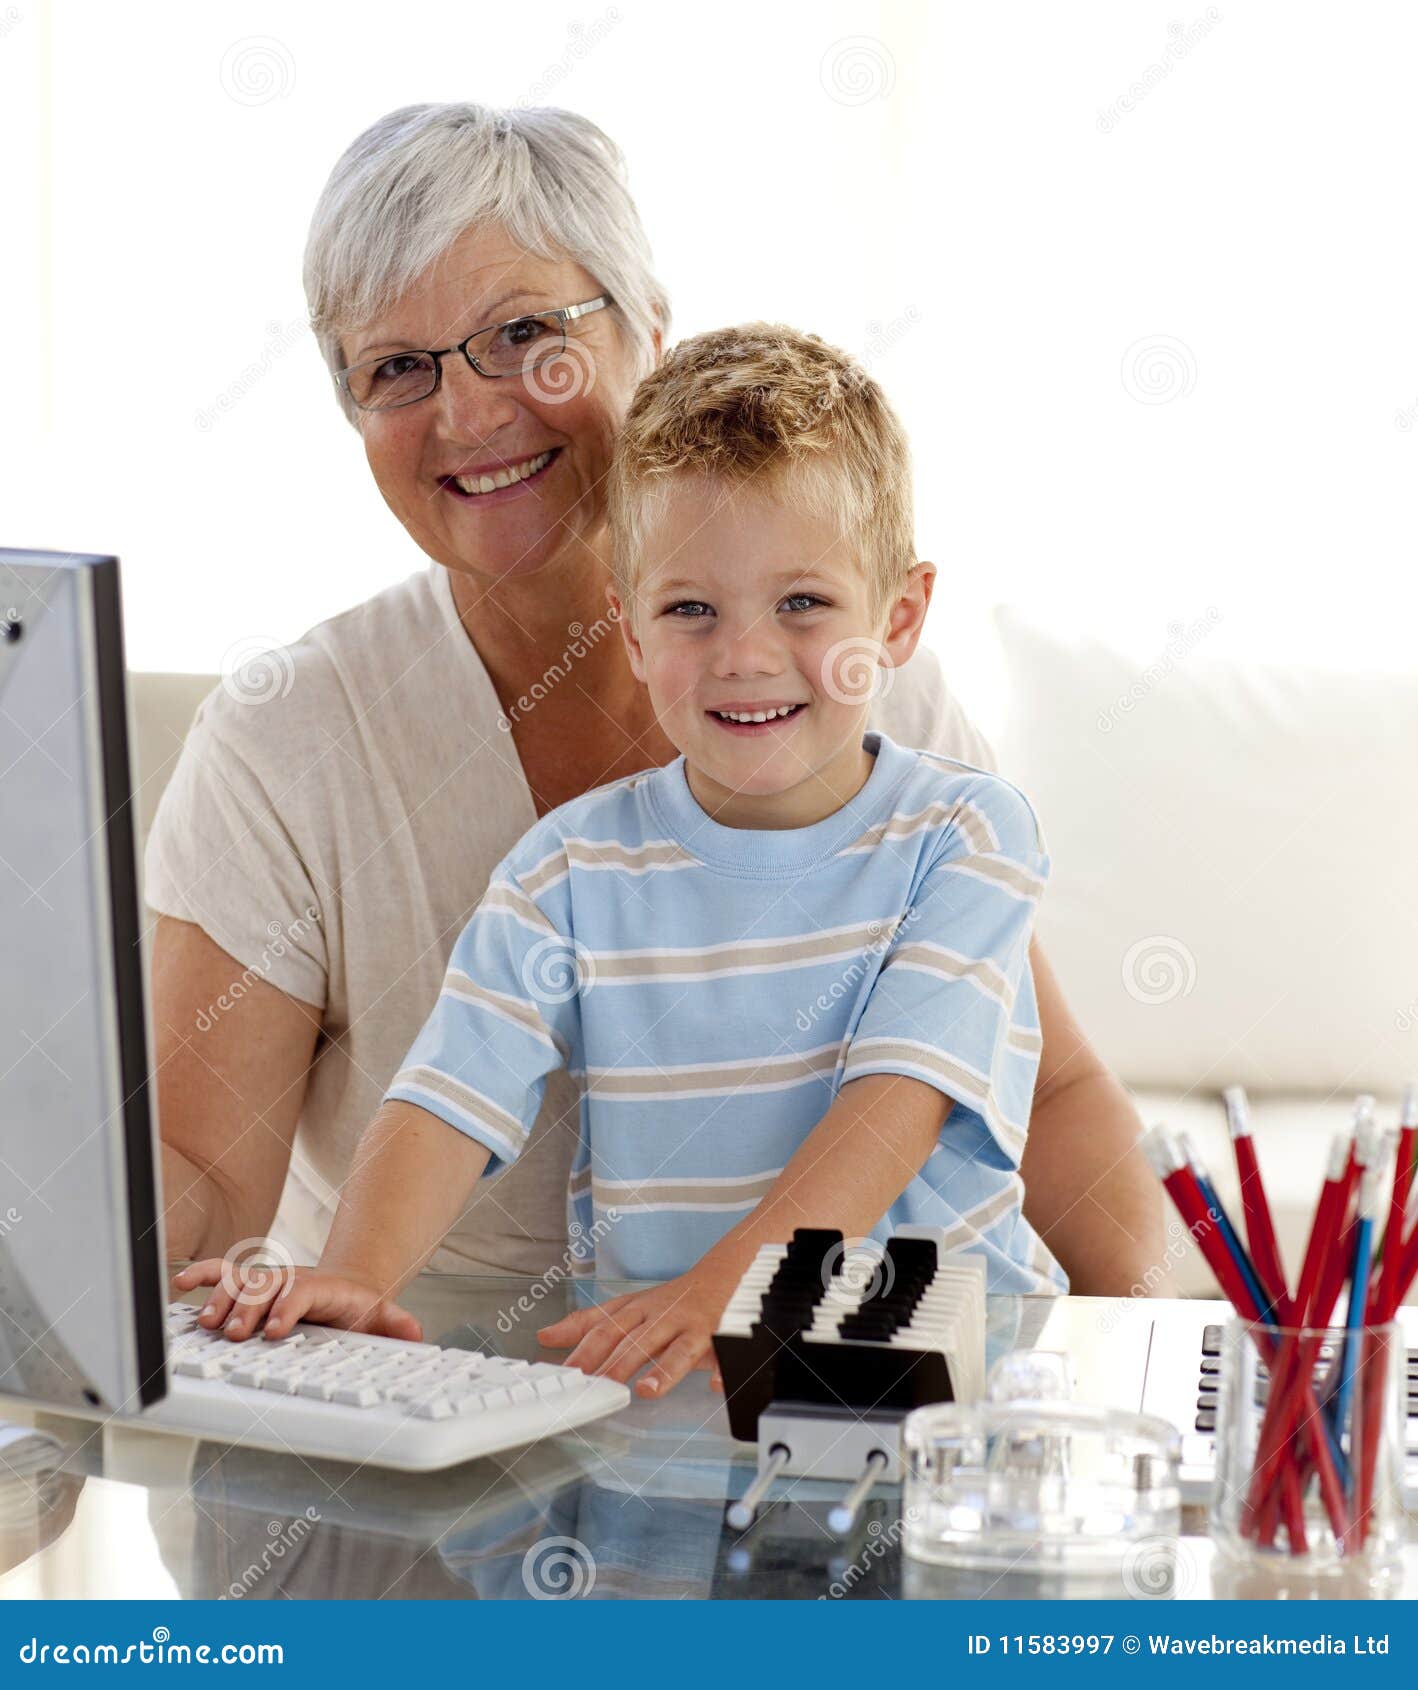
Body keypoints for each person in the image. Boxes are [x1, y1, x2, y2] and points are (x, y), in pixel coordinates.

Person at [148, 101, 1161, 1297]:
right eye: (397, 368)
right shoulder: (303, 745)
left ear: (650, 338)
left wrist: (1173, 1366)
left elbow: (1033, 1088)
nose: (467, 413)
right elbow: (204, 1174)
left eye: (524, 331)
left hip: (831, 1389)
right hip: (447, 1416)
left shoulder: (866, 692)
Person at [174, 322, 1067, 1399]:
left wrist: (725, 1292)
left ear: (898, 616)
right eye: (690, 608)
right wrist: (355, 1274)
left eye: (802, 603)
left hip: (939, 1403)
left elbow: (896, 1102)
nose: (743, 654)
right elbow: (449, 1093)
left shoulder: (965, 836)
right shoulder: (568, 871)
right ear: (630, 632)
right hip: (663, 1385)